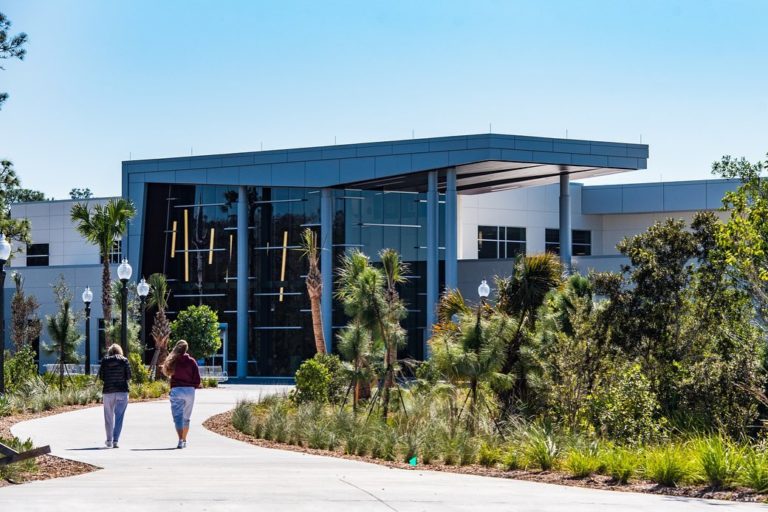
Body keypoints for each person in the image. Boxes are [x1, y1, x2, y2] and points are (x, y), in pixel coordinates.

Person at [161, 340, 201, 449]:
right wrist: (192, 387)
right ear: (186, 349)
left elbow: (167, 372)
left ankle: (180, 440)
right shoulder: (192, 361)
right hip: (189, 392)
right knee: (186, 418)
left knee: (178, 417)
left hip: (177, 390)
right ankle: (184, 439)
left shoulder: (173, 361)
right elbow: (197, 379)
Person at [97, 344, 131, 448]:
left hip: (108, 391)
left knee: (108, 417)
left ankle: (109, 440)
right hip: (122, 391)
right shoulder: (124, 360)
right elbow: (129, 376)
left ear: (110, 352)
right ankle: (116, 441)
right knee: (119, 417)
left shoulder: (104, 361)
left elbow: (101, 377)